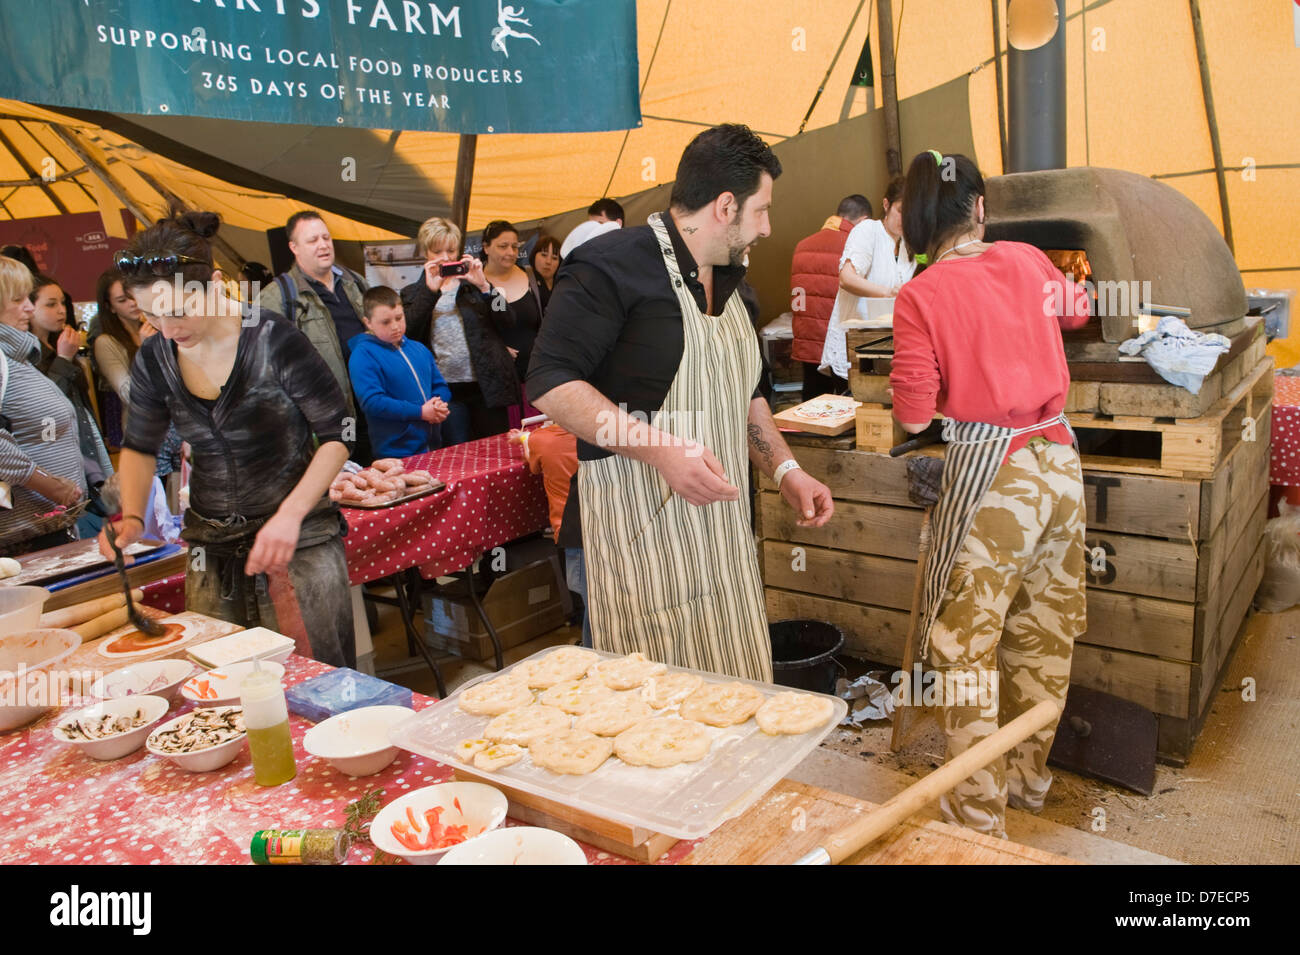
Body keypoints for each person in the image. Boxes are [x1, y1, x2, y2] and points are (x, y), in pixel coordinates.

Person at [528, 123, 834, 682]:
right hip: (631, 539)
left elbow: (745, 398)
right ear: (725, 205)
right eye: (761, 210)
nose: (767, 227)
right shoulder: (610, 267)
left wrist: (785, 470)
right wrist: (661, 451)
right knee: (643, 709)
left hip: (721, 541)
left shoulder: (738, 289)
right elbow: (550, 381)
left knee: (729, 699)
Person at [889, 150, 1090, 839]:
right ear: (978, 209)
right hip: (1061, 466)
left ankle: (977, 819)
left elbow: (915, 418)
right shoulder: (1030, 261)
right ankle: (1029, 781)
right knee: (1044, 634)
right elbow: (1080, 308)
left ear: (916, 223)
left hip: (992, 479)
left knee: (963, 649)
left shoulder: (918, 295)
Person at [101, 211, 357, 668]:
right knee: (223, 687)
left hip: (299, 541)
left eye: (179, 310)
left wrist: (289, 515)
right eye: (151, 314)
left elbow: (340, 433)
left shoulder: (273, 337)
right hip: (211, 546)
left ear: (215, 285)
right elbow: (140, 446)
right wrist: (134, 518)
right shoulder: (156, 356)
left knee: (315, 682)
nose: (167, 327)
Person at [258, 210, 372, 461]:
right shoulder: (276, 297)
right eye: (312, 240)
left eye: (326, 238)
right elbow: (264, 367)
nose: (323, 245)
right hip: (325, 423)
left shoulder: (357, 284)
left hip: (372, 412)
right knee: (342, 489)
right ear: (294, 247)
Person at [399, 216, 518, 445]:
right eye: (437, 251)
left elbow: (508, 319)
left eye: (451, 250)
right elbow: (408, 333)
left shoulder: (474, 286)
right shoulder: (412, 293)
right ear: (426, 253)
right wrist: (430, 291)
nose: (445, 257)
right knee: (458, 453)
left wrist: (485, 286)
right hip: (445, 390)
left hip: (486, 386)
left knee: (497, 450)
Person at [0, 256, 86, 554]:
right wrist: (48, 484)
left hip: (42, 530)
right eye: (18, 298)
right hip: (20, 539)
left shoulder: (15, 358)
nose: (28, 306)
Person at [29, 276, 113, 538]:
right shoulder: (26, 356)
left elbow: (82, 406)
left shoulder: (57, 345)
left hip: (85, 445)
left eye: (63, 303)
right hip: (55, 458)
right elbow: (44, 406)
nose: (61, 311)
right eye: (50, 304)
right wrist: (64, 358)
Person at [821, 177, 917, 383]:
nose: (906, 219)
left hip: (888, 348)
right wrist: (888, 293)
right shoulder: (868, 231)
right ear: (886, 205)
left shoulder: (909, 246)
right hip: (855, 346)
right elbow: (847, 278)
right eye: (901, 211)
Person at [348, 286, 452, 459]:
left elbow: (440, 385)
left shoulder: (418, 348)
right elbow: (372, 402)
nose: (395, 326)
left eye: (399, 318)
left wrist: (438, 405)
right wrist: (420, 412)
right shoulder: (363, 355)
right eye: (386, 322)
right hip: (395, 452)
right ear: (368, 322)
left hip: (433, 444)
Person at [790, 194, 874, 398]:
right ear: (863, 222)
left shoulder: (802, 245)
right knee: (845, 404)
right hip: (837, 343)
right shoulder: (853, 247)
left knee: (812, 401)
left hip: (807, 338)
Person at [480, 220, 545, 387]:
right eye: (503, 246)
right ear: (486, 247)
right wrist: (496, 349)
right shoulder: (475, 284)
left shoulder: (530, 276)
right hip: (500, 381)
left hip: (536, 375)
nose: (510, 252)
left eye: (515, 247)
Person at [559, 198, 624, 259]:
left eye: (600, 223)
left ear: (618, 224)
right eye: (591, 225)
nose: (594, 229)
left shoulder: (629, 253)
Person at [528, 234, 561, 312]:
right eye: (544, 255)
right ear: (534, 255)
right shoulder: (524, 280)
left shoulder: (563, 282)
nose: (548, 262)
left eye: (554, 258)